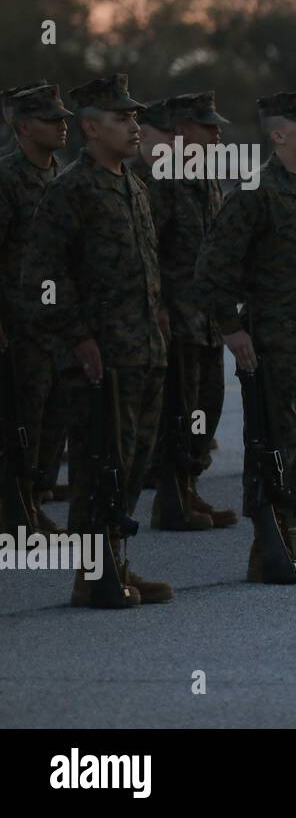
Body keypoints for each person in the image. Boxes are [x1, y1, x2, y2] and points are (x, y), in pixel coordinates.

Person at [23, 74, 173, 607]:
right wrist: (78, 339)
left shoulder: (132, 185)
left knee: (130, 462)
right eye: (121, 118)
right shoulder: (72, 189)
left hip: (142, 353)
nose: (134, 126)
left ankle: (115, 563)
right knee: (96, 465)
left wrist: (158, 320)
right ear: (90, 127)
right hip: (98, 357)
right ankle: (93, 576)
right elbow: (41, 275)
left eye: (135, 118)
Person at [192, 87, 296, 584]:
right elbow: (213, 268)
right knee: (273, 441)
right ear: (280, 135)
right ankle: (268, 544)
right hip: (276, 345)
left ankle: (292, 533)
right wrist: (232, 329)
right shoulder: (256, 191)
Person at [146, 91, 238, 530]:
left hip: (208, 317)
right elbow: (147, 249)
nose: (217, 131)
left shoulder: (208, 178)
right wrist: (159, 306)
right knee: (179, 408)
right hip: (178, 317)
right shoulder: (162, 179)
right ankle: (170, 498)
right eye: (207, 125)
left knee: (208, 404)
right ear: (181, 130)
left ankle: (189, 488)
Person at [0, 84, 74, 535]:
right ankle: (16, 506)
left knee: (54, 415)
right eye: (51, 119)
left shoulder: (60, 176)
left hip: (57, 324)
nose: (62, 124)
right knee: (21, 419)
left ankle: (35, 496)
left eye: (63, 117)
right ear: (24, 127)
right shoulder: (7, 178)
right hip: (20, 323)